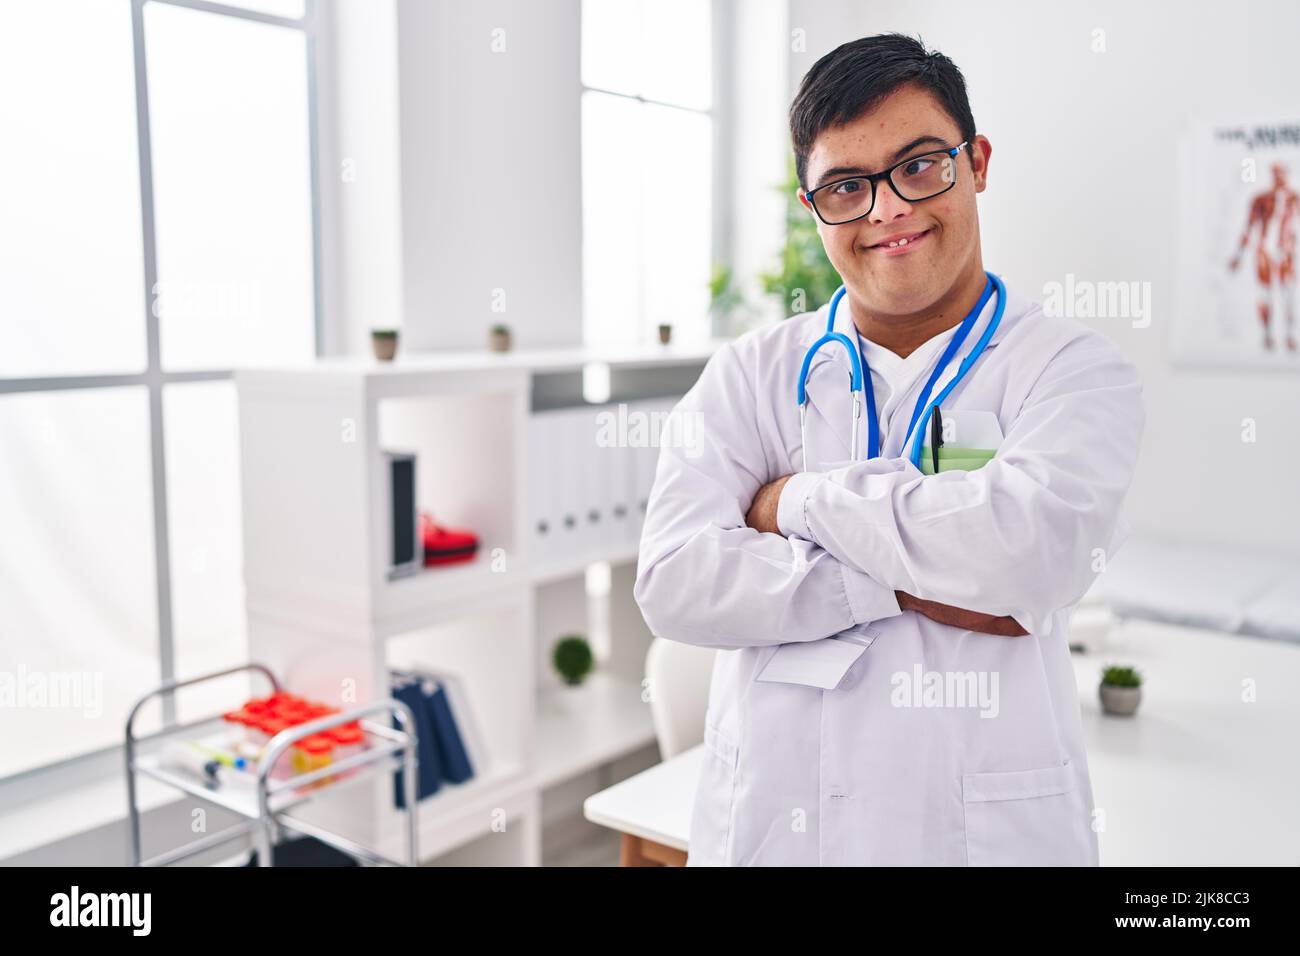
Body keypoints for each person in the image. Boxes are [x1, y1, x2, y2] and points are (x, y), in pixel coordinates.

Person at [633, 34, 1144, 866]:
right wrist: (921, 580)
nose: (886, 210)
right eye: (846, 186)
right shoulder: (749, 374)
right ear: (813, 207)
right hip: (776, 821)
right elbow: (674, 585)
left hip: (982, 832)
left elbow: (1031, 551)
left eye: (918, 166)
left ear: (975, 162)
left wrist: (789, 503)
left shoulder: (1073, 371)